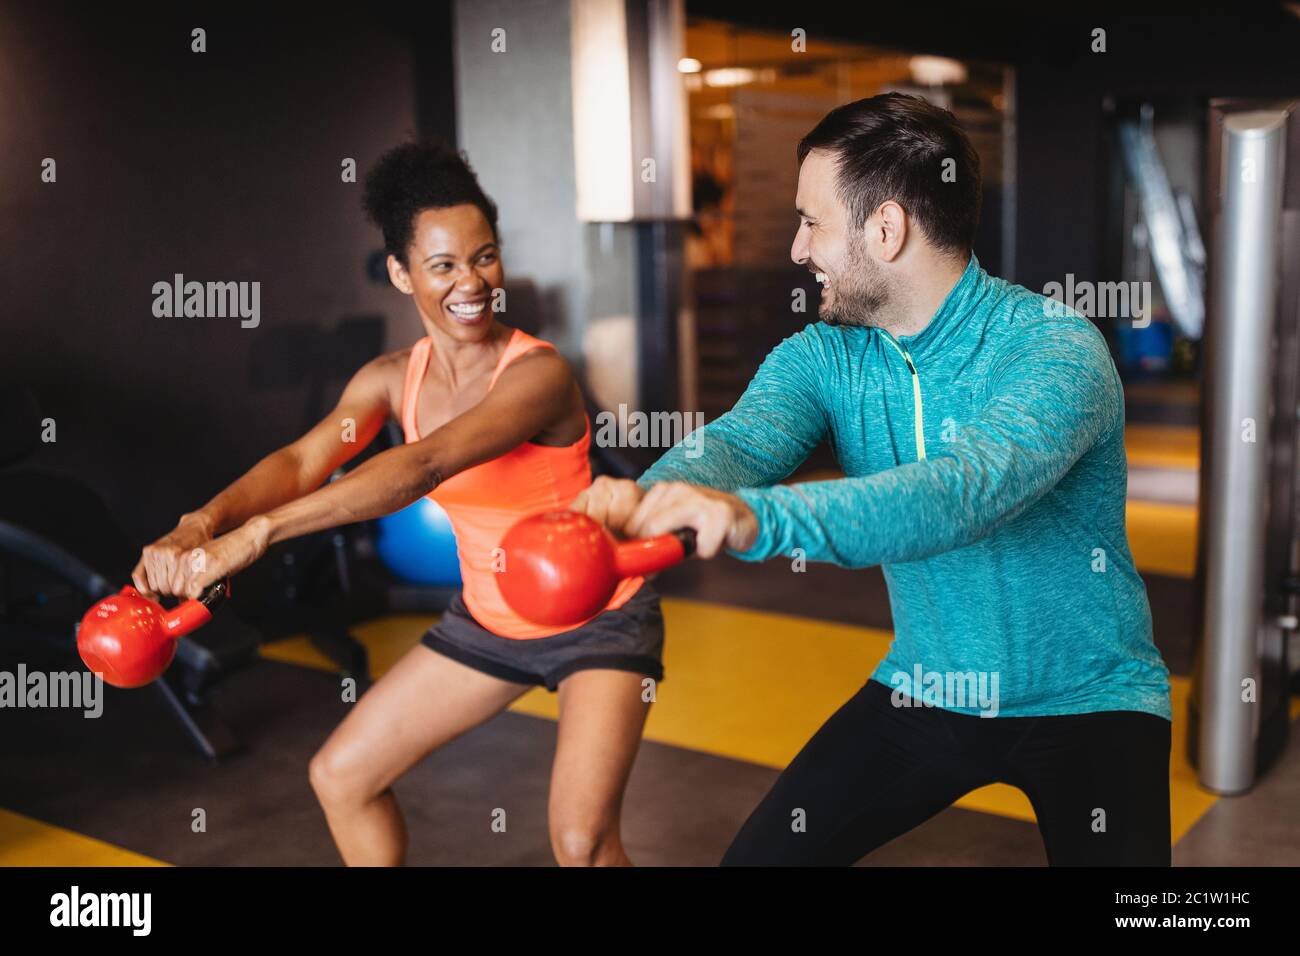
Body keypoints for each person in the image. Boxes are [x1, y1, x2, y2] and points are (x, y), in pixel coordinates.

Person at [573, 93, 1173, 866]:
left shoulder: (1054, 350)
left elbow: (961, 492)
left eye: (812, 222)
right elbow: (737, 443)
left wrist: (759, 520)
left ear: (886, 230)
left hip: (1090, 698)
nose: (797, 249)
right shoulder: (825, 355)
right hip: (928, 686)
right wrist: (651, 494)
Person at [133, 142, 663, 867]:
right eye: (443, 265)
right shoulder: (389, 380)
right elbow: (300, 461)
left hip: (600, 614)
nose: (470, 282)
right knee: (341, 777)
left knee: (582, 843)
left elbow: (425, 463)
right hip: (490, 621)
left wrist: (256, 537)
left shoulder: (536, 373)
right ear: (400, 273)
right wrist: (200, 524)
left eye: (484, 257)